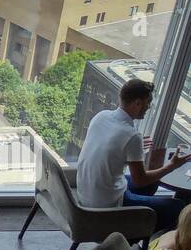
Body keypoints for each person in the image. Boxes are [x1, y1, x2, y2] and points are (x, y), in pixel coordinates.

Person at [75, 77, 189, 233]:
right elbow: (140, 180)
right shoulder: (131, 135)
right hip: (107, 204)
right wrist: (172, 166)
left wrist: (131, 149)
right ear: (137, 103)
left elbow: (109, 147)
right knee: (179, 208)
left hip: (87, 195)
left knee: (153, 182)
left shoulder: (101, 116)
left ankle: (137, 225)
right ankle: (130, 234)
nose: (149, 107)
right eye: (148, 102)